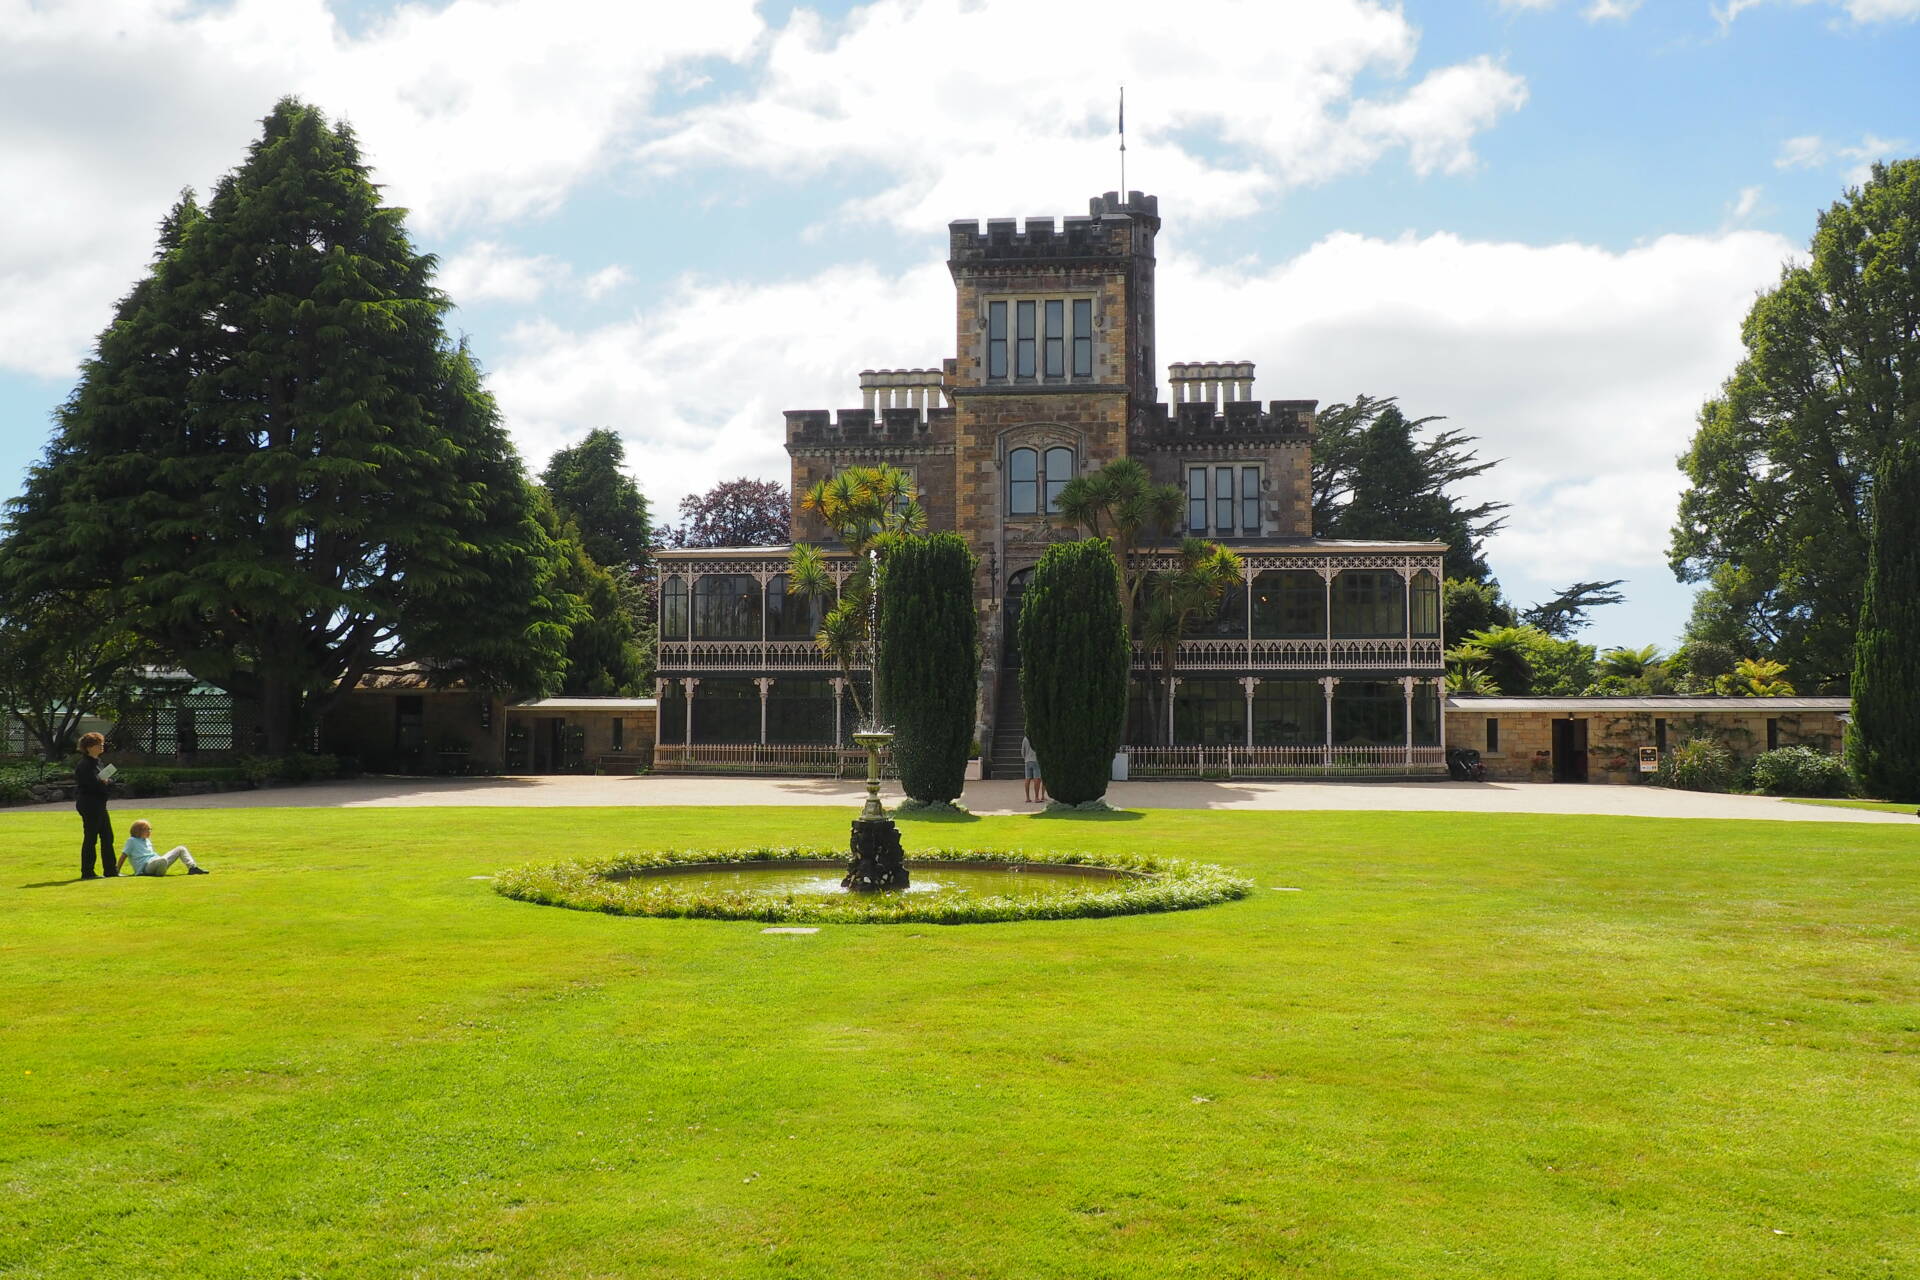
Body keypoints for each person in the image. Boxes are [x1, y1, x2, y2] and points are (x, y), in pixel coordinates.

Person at [74, 731, 116, 880]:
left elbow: (110, 780)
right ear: (89, 747)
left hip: (100, 803)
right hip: (89, 803)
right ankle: (87, 872)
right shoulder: (84, 765)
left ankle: (111, 870)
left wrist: (107, 781)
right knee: (91, 838)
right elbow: (89, 784)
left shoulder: (98, 762)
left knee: (107, 836)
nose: (101, 746)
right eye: (98, 744)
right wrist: (102, 781)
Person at [116, 819, 209, 877]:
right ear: (138, 831)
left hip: (156, 862)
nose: (149, 831)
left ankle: (193, 868)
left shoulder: (147, 840)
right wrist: (117, 871)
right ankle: (157, 873)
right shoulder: (131, 841)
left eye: (150, 829)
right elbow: (123, 856)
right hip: (145, 867)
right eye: (146, 829)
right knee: (163, 860)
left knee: (181, 848)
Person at [1021, 734, 1046, 804]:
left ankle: (1027, 798)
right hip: (1036, 760)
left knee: (1027, 779)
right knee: (1037, 779)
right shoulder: (1037, 737)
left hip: (1027, 761)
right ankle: (1036, 797)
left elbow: (1022, 751)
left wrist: (1025, 758)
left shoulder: (1025, 738)